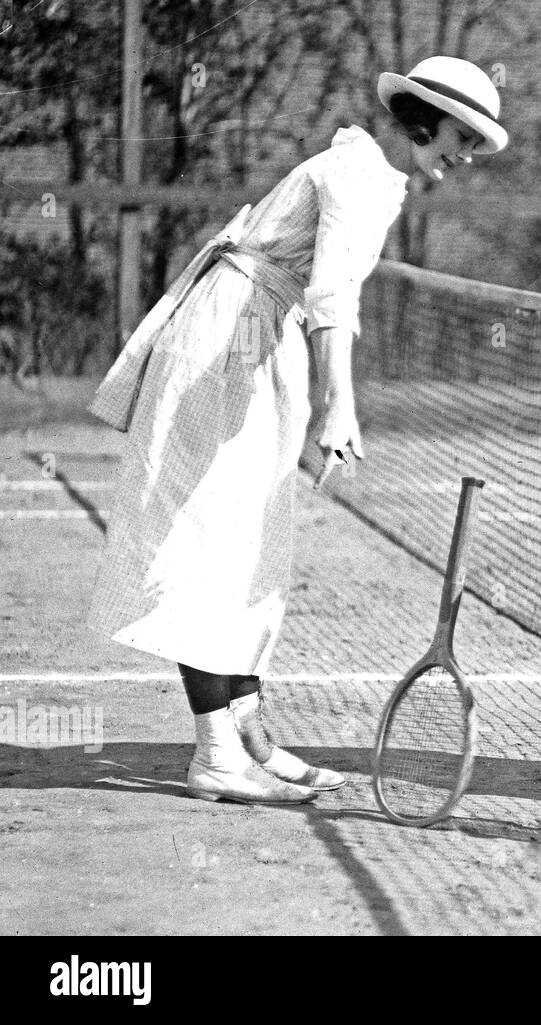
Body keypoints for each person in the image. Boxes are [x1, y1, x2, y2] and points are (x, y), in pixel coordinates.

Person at [87, 57, 508, 805]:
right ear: (422, 117)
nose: (464, 154)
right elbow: (332, 295)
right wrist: (338, 403)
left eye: (474, 143)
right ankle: (216, 752)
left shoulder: (372, 174)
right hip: (224, 342)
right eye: (460, 135)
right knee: (208, 544)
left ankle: (249, 739)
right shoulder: (357, 174)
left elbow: (321, 289)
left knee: (250, 545)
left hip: (251, 339)